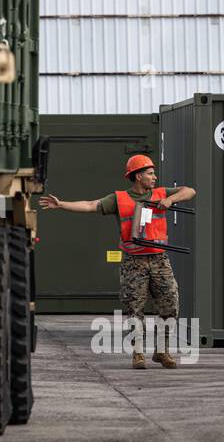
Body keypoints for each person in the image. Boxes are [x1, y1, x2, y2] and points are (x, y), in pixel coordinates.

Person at [38, 154, 195, 369]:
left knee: (170, 304)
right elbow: (90, 205)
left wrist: (170, 199)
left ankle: (162, 351)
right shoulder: (119, 199)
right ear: (138, 176)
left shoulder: (160, 193)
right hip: (134, 261)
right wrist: (61, 204)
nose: (154, 177)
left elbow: (190, 191)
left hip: (159, 258)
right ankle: (138, 353)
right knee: (134, 308)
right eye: (150, 173)